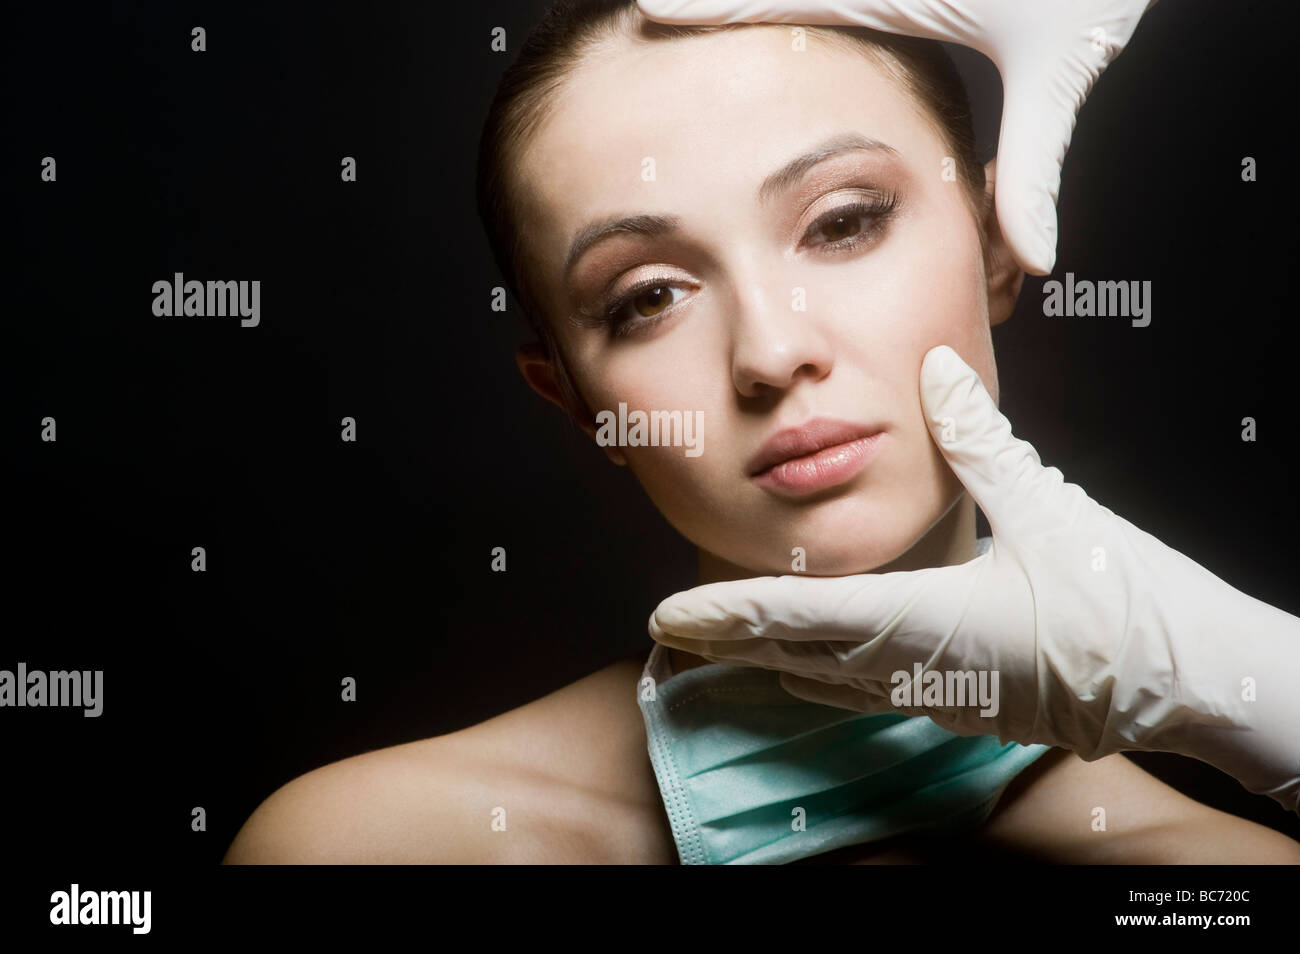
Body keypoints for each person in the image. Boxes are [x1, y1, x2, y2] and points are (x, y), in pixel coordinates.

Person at [222, 0, 1300, 864]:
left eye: (843, 221)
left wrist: (1262, 693)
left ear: (995, 240)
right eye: (647, 296)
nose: (771, 352)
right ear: (573, 397)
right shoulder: (372, 849)